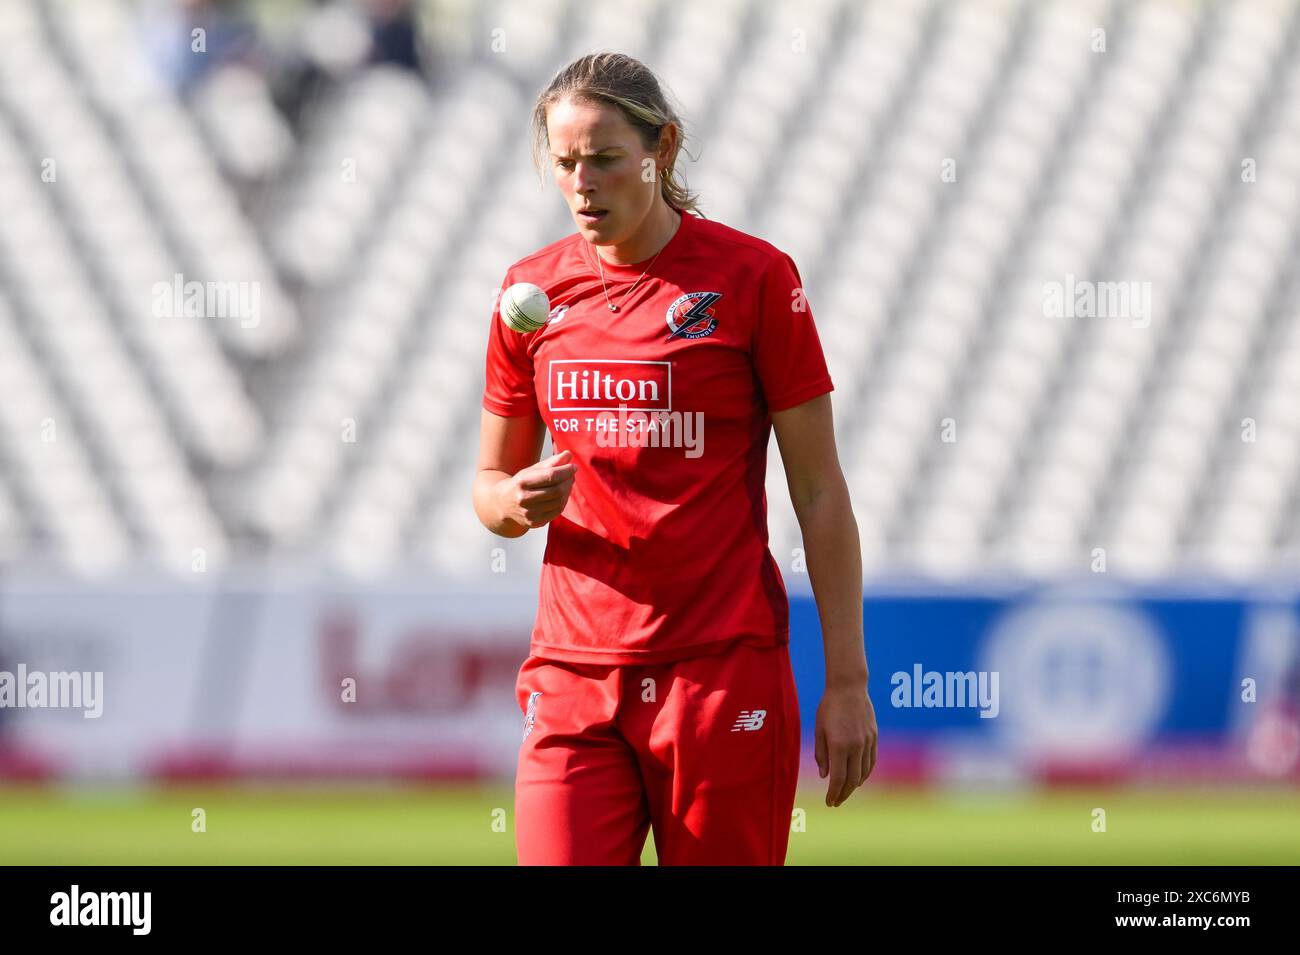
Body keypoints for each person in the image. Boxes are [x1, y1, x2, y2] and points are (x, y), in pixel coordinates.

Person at [473, 51, 878, 866]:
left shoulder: (756, 278)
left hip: (721, 672)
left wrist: (848, 680)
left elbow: (820, 491)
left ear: (662, 149)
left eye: (606, 159)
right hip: (571, 675)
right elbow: (488, 486)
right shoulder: (530, 294)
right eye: (565, 163)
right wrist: (511, 503)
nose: (583, 182)